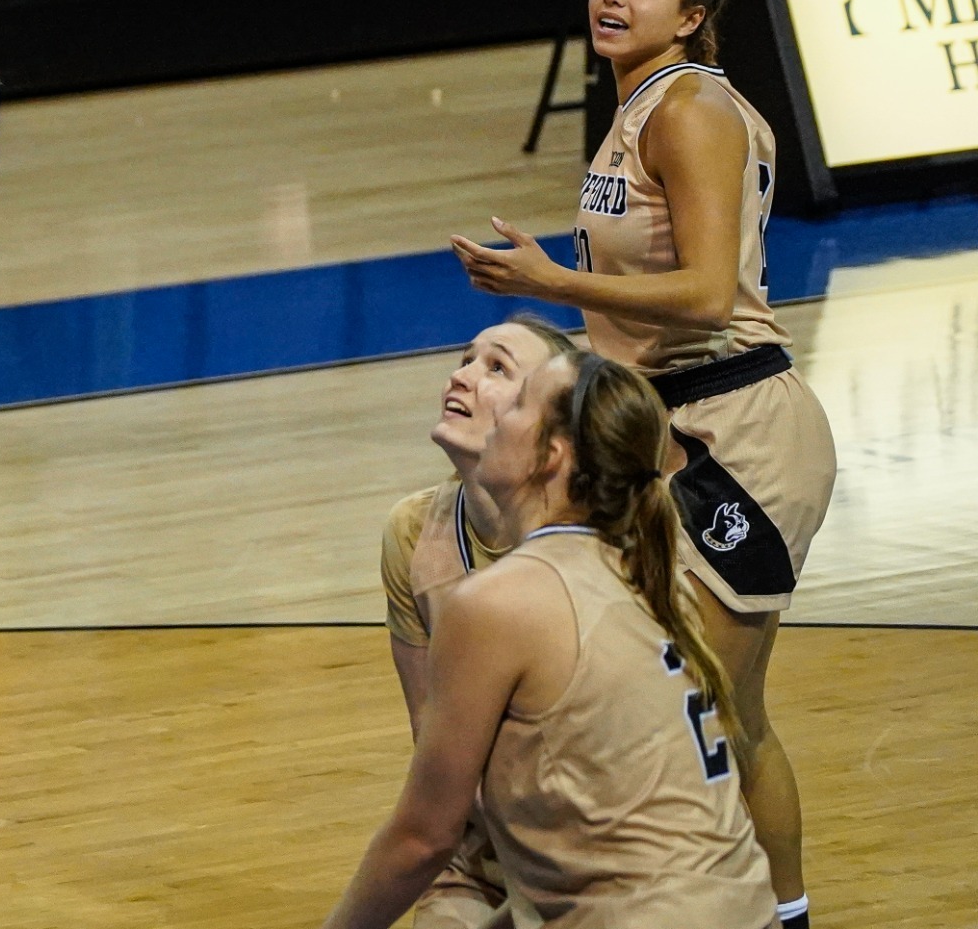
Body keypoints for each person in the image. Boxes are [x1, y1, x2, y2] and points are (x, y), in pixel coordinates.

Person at [451, 0, 835, 929]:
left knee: (714, 709)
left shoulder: (690, 107)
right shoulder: (637, 106)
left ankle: (771, 917)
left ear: (692, 13)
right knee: (634, 694)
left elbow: (709, 295)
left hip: (737, 434)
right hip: (656, 428)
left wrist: (546, 278)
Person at [323, 350, 777, 929]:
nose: (497, 412)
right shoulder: (653, 580)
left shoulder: (498, 603)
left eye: (515, 404)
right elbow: (616, 844)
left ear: (552, 455)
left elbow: (422, 839)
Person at [381, 314, 576, 928]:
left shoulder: (598, 549)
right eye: (466, 359)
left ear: (550, 433)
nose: (460, 376)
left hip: (592, 853)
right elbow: (429, 732)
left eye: (496, 369)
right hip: (480, 852)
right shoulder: (413, 531)